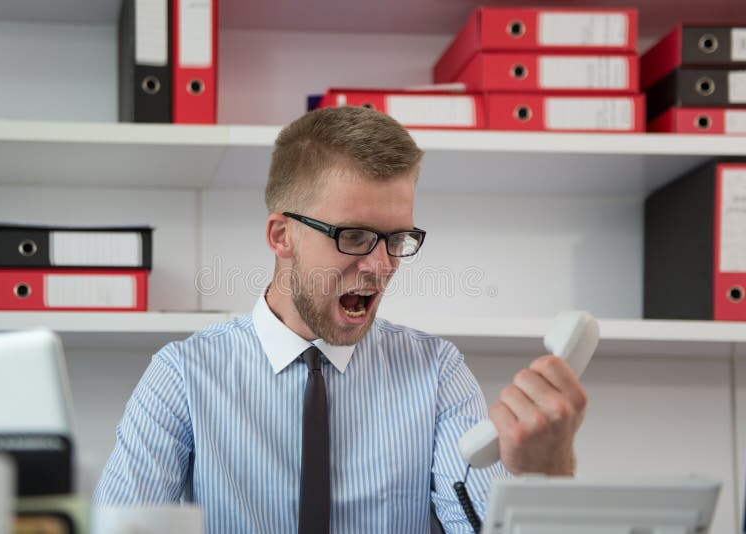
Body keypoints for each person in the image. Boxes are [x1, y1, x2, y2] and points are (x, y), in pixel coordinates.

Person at [93, 106, 588, 533]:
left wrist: (546, 476)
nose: (381, 265)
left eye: (397, 239)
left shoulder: (438, 374)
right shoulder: (182, 375)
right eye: (353, 236)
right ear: (282, 235)